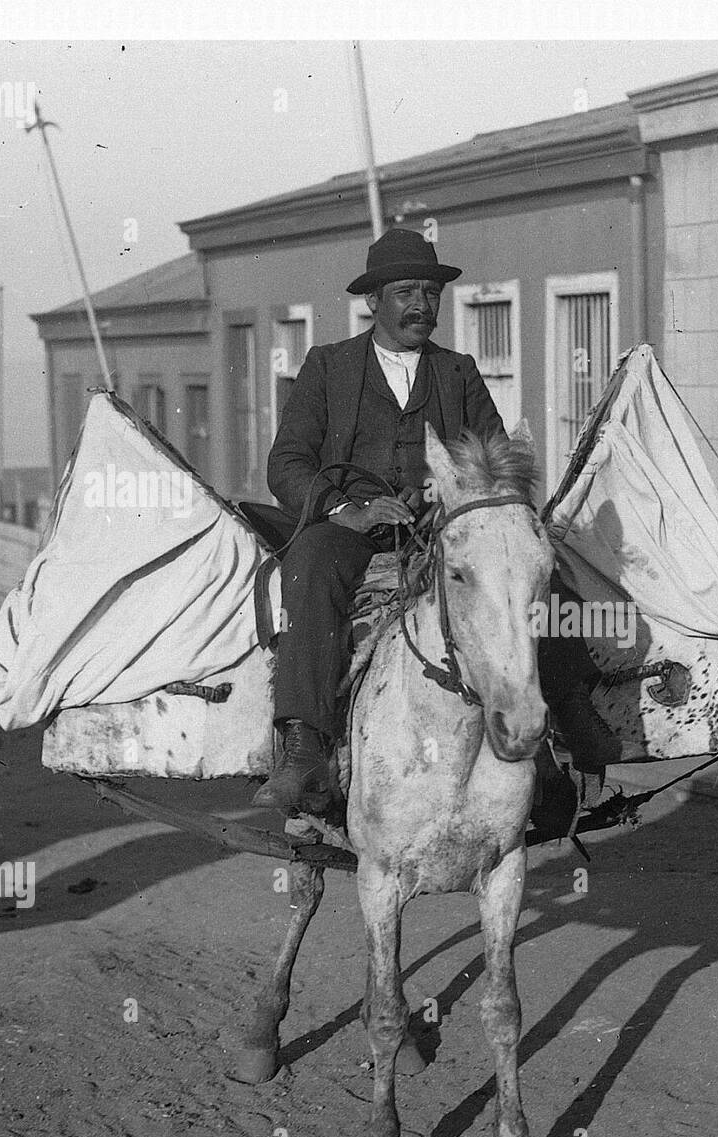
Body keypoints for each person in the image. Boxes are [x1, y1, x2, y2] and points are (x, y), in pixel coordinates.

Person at [253, 227, 618, 814]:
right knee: (308, 566)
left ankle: (569, 710)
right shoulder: (328, 368)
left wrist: (454, 488)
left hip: (441, 528)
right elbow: (287, 465)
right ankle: (304, 746)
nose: (420, 305)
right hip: (350, 529)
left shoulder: (457, 372)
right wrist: (349, 511)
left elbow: (501, 459)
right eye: (405, 292)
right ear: (373, 302)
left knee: (531, 563)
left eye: (429, 292)